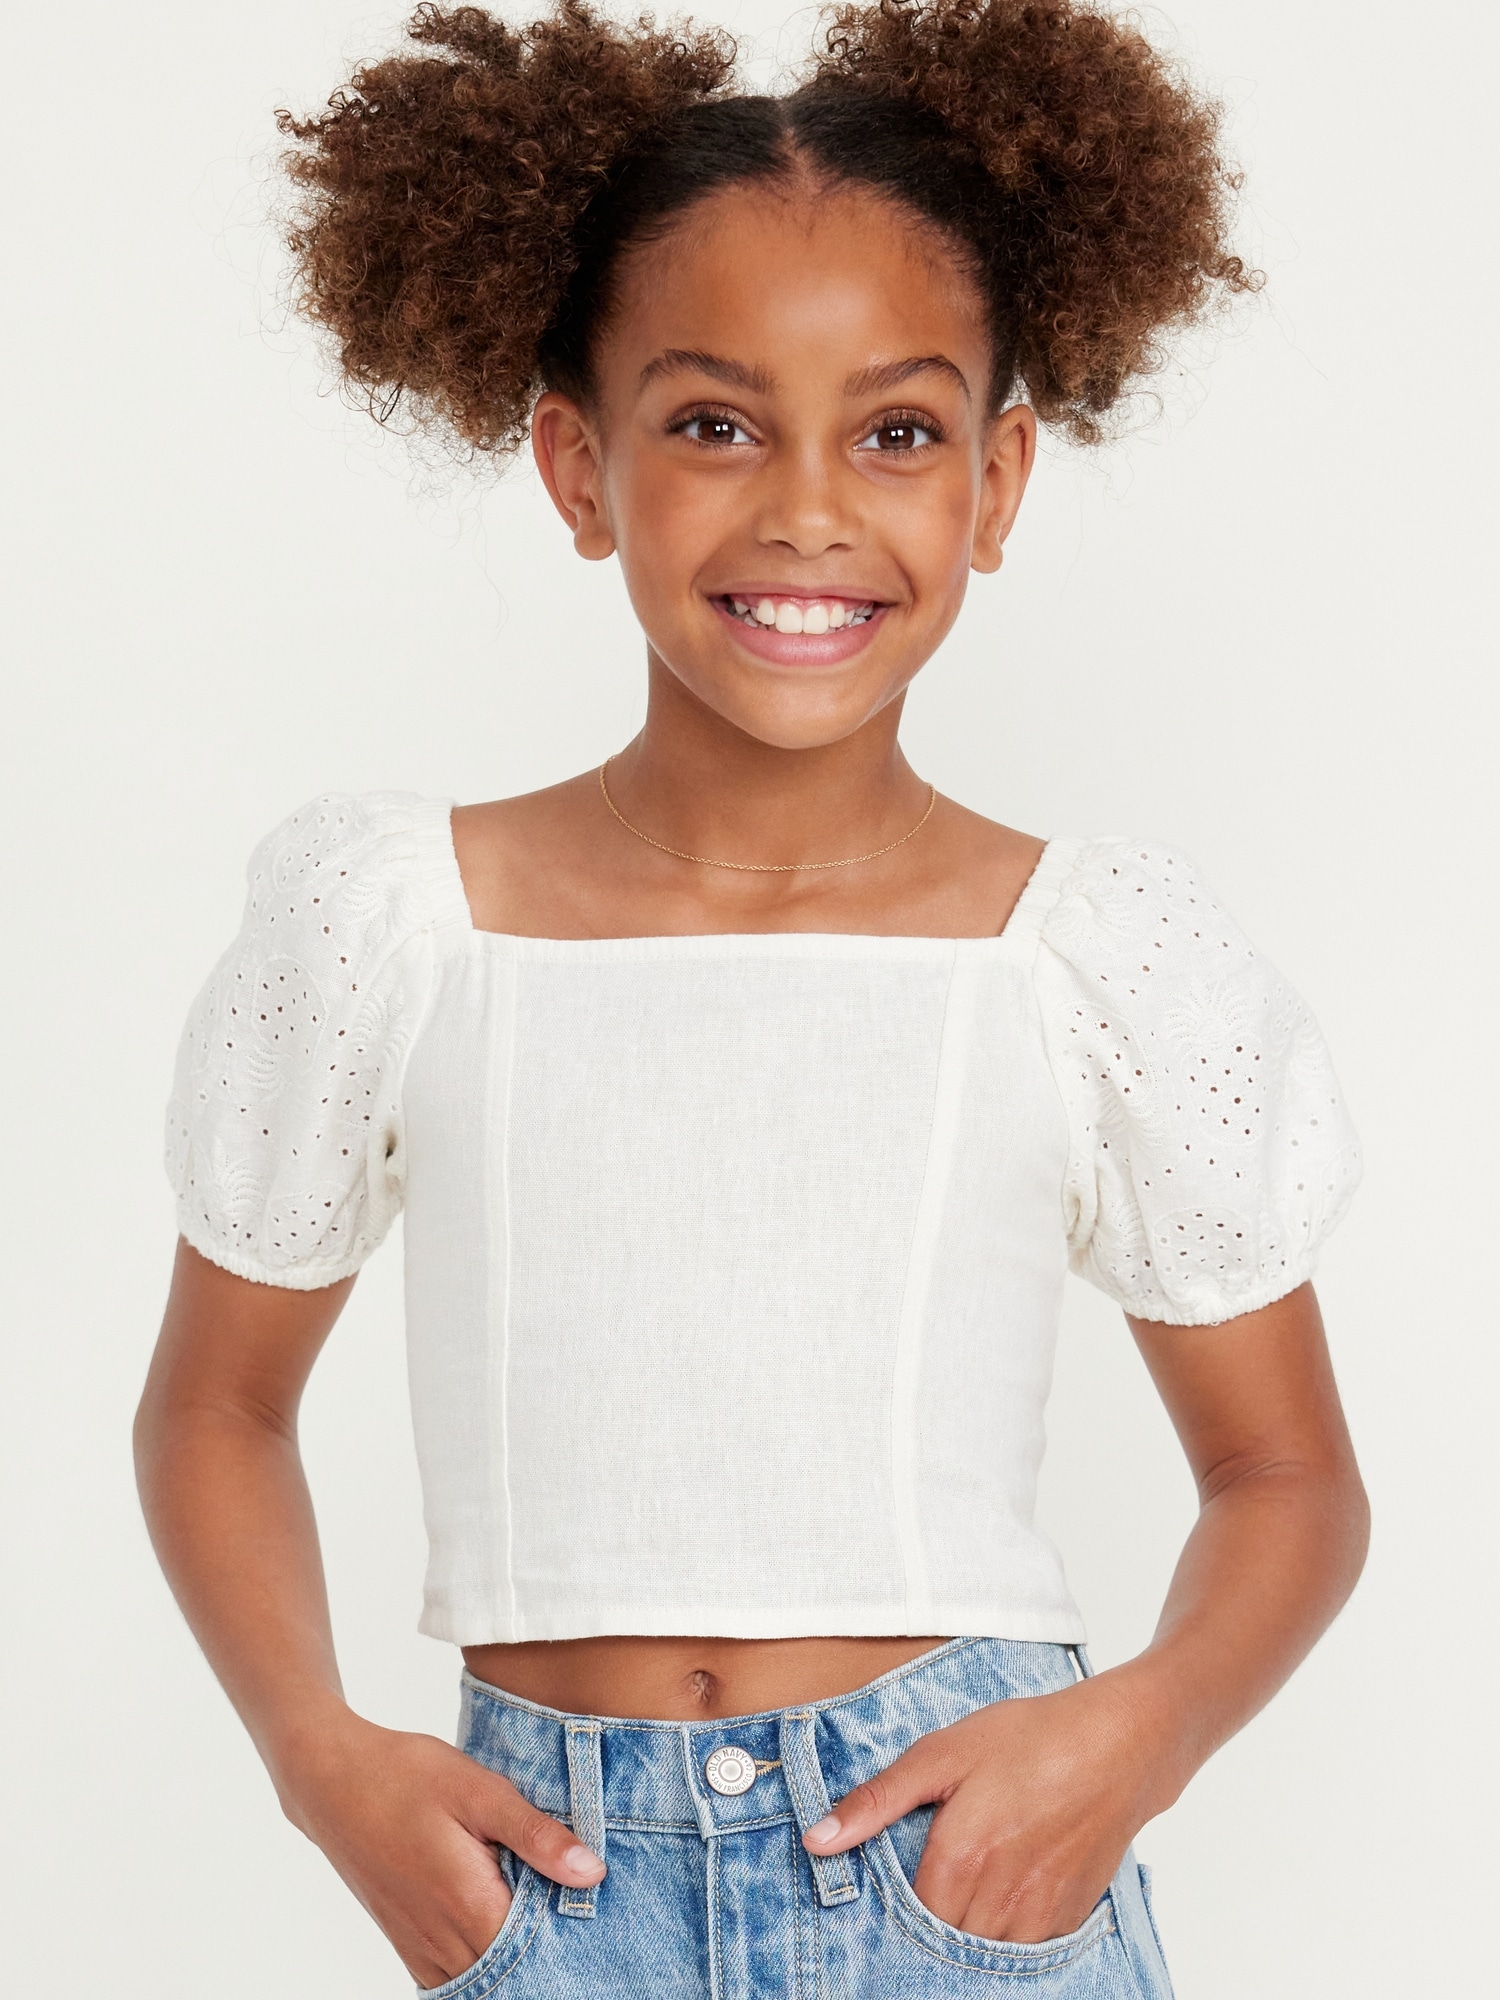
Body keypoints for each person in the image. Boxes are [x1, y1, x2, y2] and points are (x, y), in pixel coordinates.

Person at [135, 4, 1369, 1994]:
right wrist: (316, 1757)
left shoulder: (1087, 955)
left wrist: (1133, 1740)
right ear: (578, 463)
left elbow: (1290, 1477)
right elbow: (216, 1401)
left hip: (956, 1887)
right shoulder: (396, 925)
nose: (808, 509)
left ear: (998, 480)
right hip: (544, 1888)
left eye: (898, 432)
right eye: (715, 424)